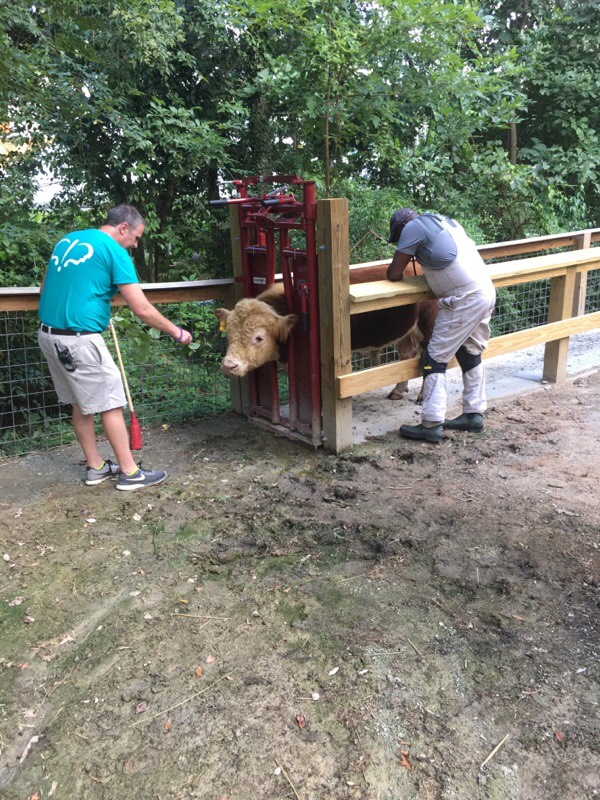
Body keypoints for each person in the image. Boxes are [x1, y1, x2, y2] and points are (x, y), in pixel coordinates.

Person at [38, 204, 193, 488]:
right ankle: (130, 473)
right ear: (123, 227)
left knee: (81, 404)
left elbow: (45, 286)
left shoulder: (69, 240)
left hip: (49, 335)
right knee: (111, 402)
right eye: (136, 237)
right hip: (79, 340)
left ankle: (96, 467)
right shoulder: (115, 251)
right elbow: (143, 310)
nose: (135, 245)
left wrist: (95, 298)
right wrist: (177, 331)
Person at [387, 208, 496, 443]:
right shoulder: (447, 221)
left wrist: (410, 253)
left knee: (433, 358)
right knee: (470, 352)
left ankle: (432, 423)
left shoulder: (412, 228)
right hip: (484, 291)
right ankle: (473, 414)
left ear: (401, 228)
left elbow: (394, 273)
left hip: (463, 298)